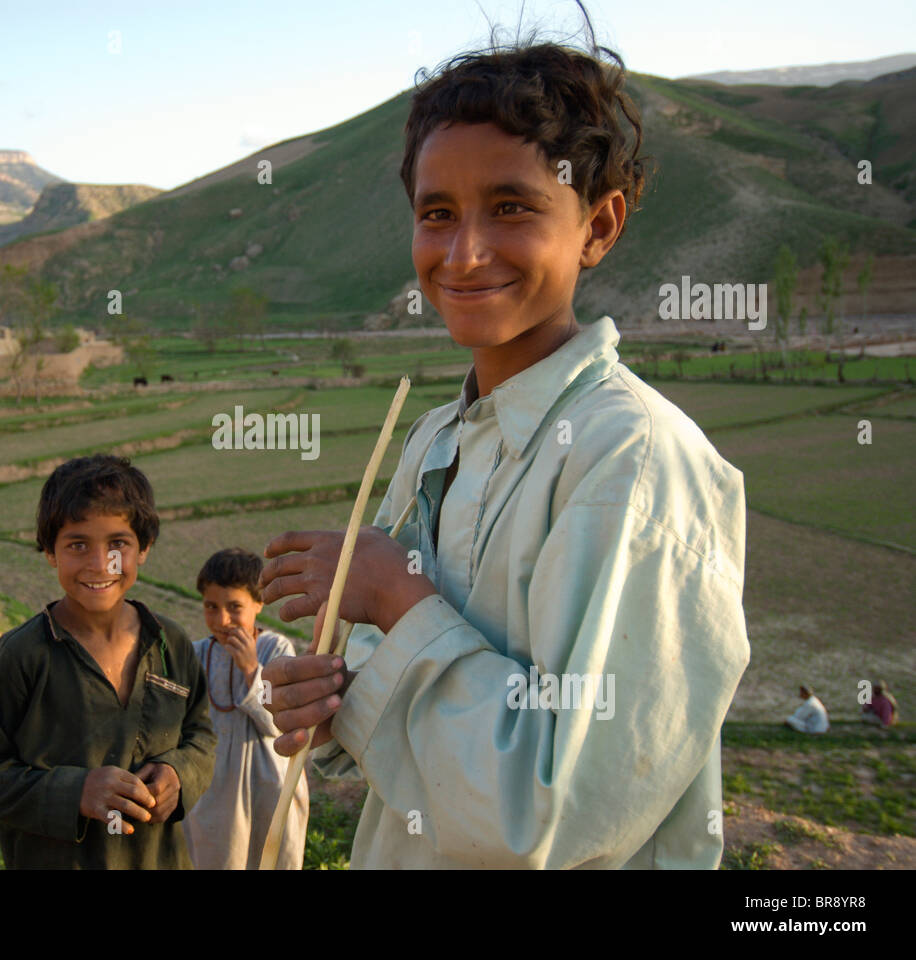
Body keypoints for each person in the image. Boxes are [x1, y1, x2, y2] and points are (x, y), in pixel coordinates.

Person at [258, 32, 750, 869]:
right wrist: (332, 699)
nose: (465, 253)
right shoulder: (434, 441)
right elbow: (401, 719)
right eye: (437, 212)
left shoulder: (633, 463)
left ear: (597, 226)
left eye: (512, 207)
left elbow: (550, 813)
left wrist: (397, 598)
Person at [0, 454, 216, 868]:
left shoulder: (171, 644)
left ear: (143, 548)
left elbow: (201, 734)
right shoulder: (22, 656)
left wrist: (179, 772)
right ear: (50, 553)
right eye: (78, 545)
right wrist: (74, 792)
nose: (100, 564)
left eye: (118, 544)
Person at [185, 548, 308, 870]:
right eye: (211, 607)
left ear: (258, 604)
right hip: (212, 790)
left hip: (268, 785)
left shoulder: (276, 649)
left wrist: (252, 669)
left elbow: (281, 725)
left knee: (268, 857)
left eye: (234, 607)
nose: (222, 620)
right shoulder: (196, 654)